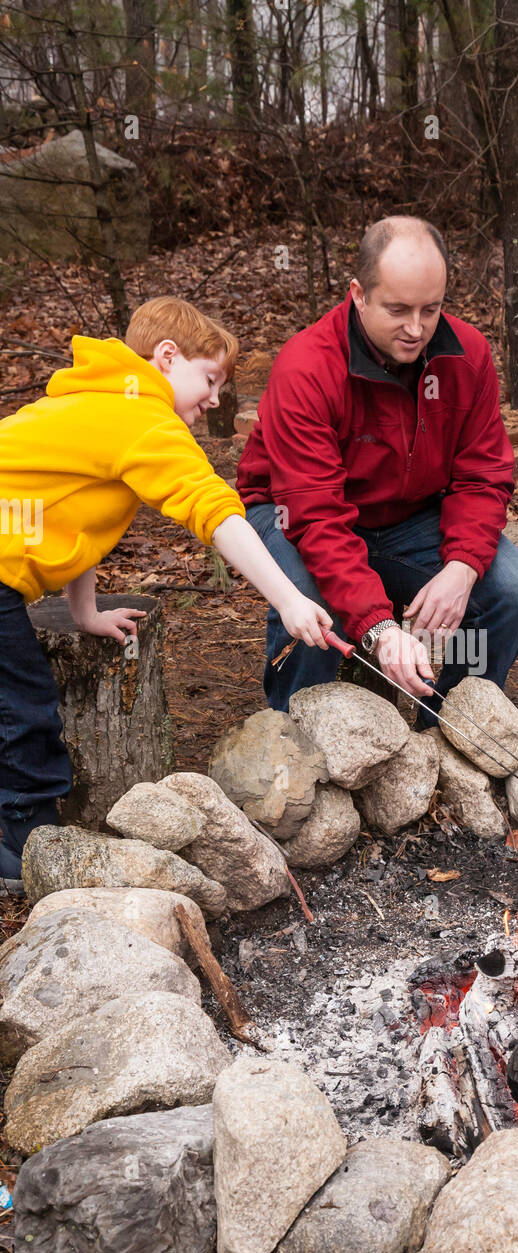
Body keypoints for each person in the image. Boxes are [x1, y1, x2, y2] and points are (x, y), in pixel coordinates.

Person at [0, 296, 331, 884]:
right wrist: (287, 598)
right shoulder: (142, 416)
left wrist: (83, 611)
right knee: (24, 711)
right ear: (167, 357)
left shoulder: (97, 400)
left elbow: (79, 521)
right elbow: (214, 510)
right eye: (208, 379)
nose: (213, 399)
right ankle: (23, 839)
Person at [237, 214, 518, 719]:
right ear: (358, 293)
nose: (417, 328)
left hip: (408, 518)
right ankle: (295, 731)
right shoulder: (307, 368)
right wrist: (380, 629)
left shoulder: (467, 355)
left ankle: (449, 726)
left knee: (517, 591)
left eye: (432, 308)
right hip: (290, 513)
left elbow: (482, 475)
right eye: (398, 309)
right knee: (314, 597)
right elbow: (315, 516)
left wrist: (463, 566)